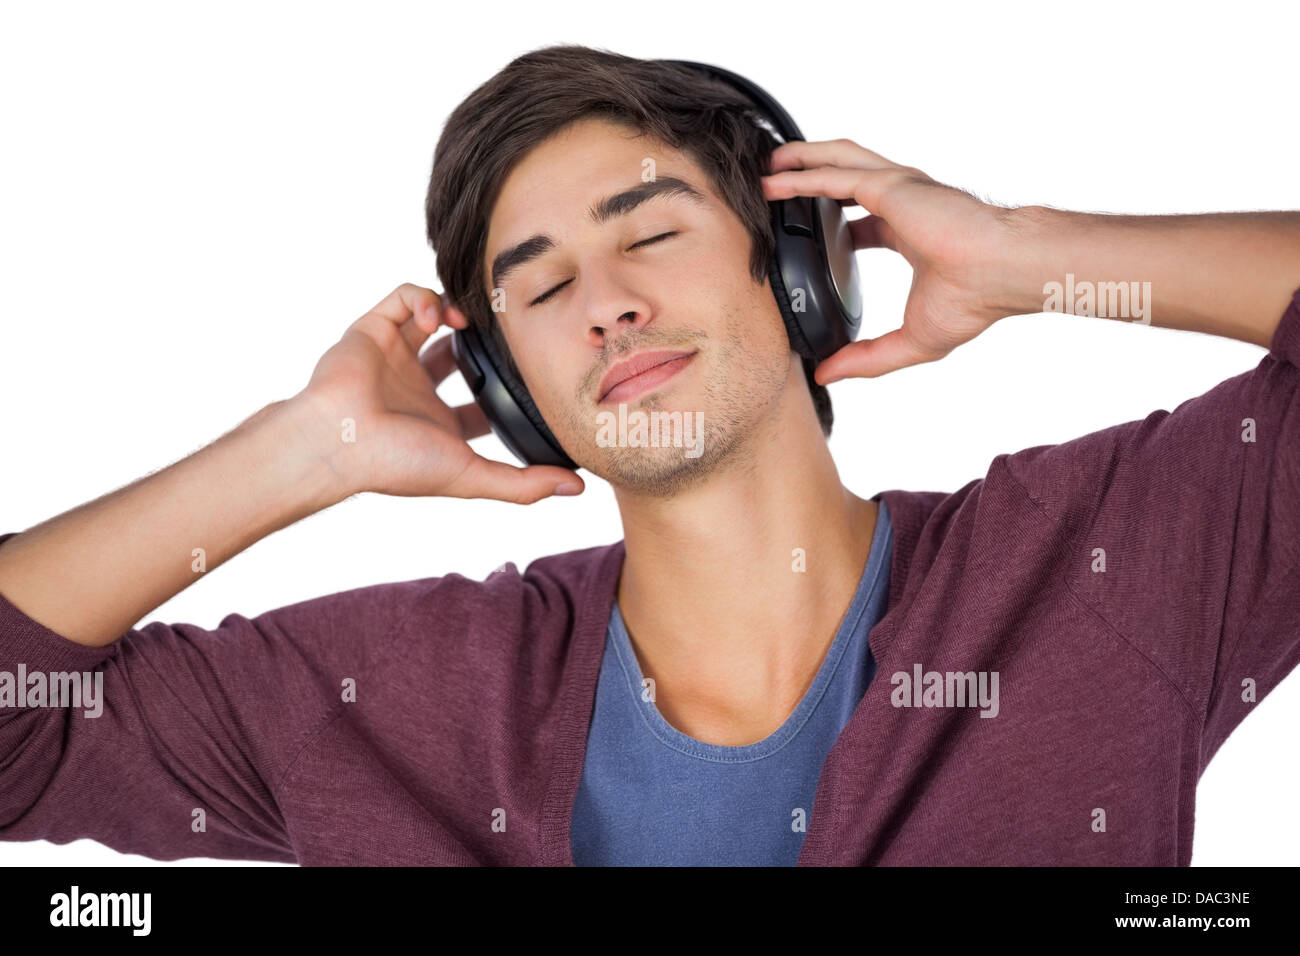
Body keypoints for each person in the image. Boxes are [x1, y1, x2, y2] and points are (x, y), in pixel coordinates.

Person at [1, 45, 1297, 866]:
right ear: (510, 386)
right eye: (541, 285)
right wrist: (299, 452)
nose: (606, 302)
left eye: (651, 233)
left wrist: (1026, 254)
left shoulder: (1107, 569)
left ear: (798, 272)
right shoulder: (392, 694)